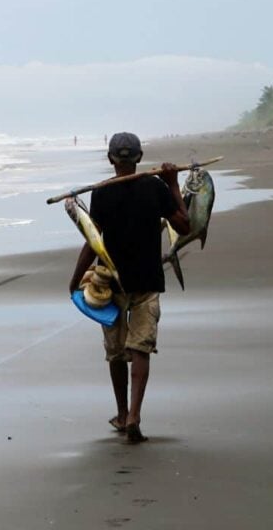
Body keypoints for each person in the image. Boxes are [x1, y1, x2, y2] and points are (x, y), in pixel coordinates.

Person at [68, 132, 190, 443]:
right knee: (140, 348)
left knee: (116, 352)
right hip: (147, 280)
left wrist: (75, 277)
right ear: (138, 158)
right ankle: (135, 414)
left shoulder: (102, 194)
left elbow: (93, 242)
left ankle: (122, 415)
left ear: (111, 159)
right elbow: (183, 225)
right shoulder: (155, 187)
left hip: (111, 282)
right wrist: (173, 183)